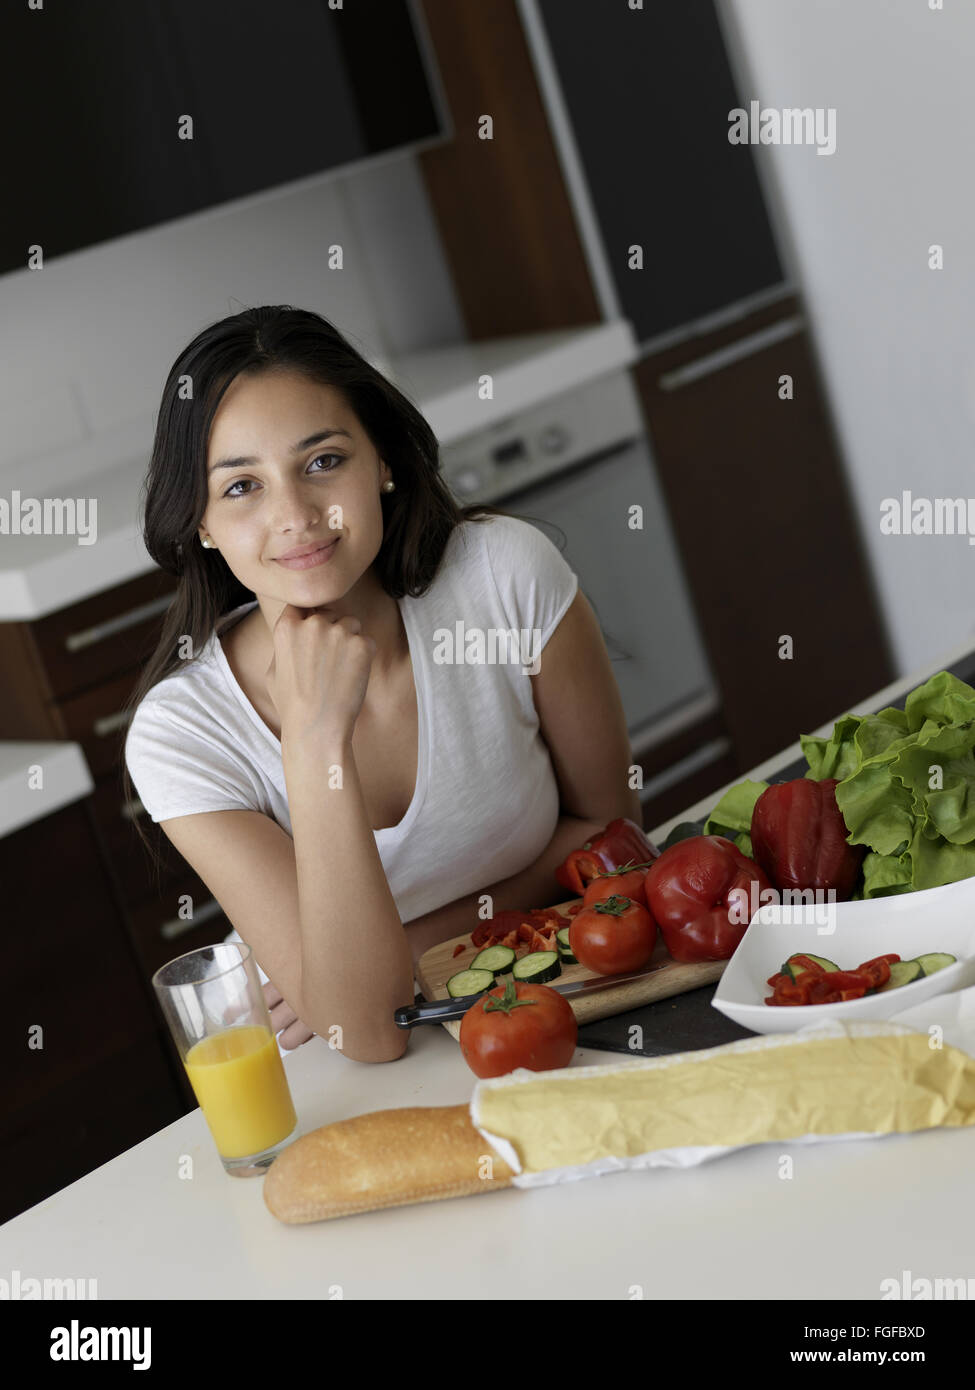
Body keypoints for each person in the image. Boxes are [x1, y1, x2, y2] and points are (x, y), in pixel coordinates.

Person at [123, 305, 641, 1063]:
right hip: (327, 1068)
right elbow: (364, 1033)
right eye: (241, 487)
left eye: (323, 461)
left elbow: (614, 847)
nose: (295, 515)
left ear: (382, 462)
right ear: (199, 521)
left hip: (549, 991)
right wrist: (312, 736)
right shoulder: (180, 736)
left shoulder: (503, 576)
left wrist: (404, 955)